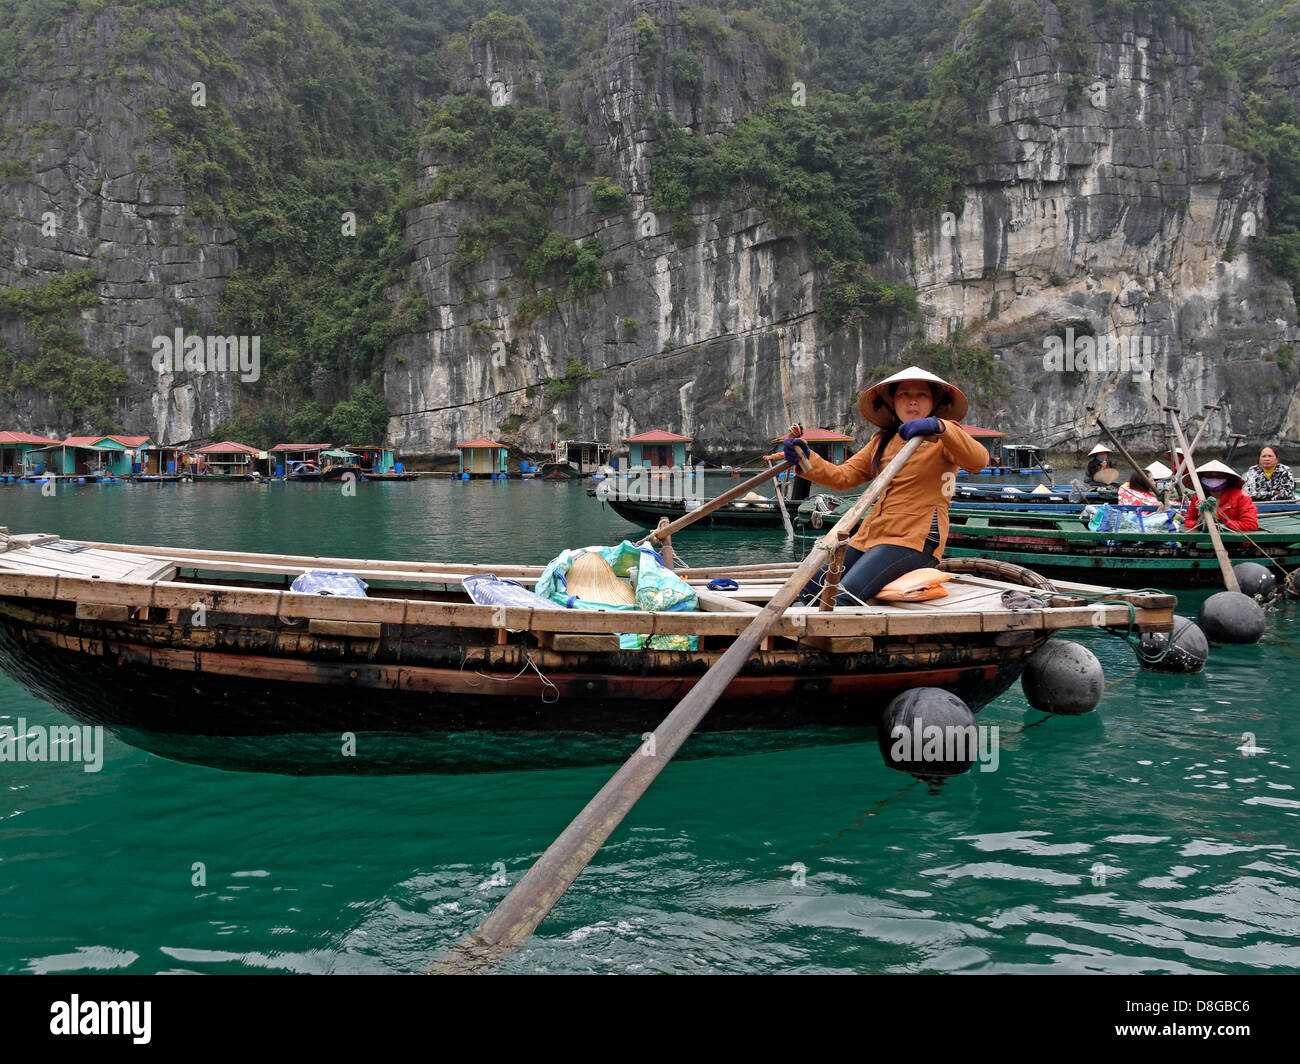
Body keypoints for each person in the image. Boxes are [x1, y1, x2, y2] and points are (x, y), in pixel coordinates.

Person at [775, 366, 988, 604]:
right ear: (892, 403)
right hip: (869, 536)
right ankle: (794, 635)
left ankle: (814, 639)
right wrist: (806, 458)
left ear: (934, 402)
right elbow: (843, 477)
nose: (912, 402)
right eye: (904, 395)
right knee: (807, 589)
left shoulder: (946, 437)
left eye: (922, 395)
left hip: (915, 538)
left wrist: (939, 426)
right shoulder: (883, 440)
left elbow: (978, 461)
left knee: (843, 596)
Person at [1183, 460, 1259, 532]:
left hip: (1234, 541)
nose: (1214, 479)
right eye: (1209, 476)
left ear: (1227, 479)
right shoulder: (1198, 497)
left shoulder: (1241, 497)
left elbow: (1251, 525)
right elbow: (1188, 521)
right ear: (1201, 479)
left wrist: (1222, 524)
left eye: (1219, 476)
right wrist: (1201, 524)